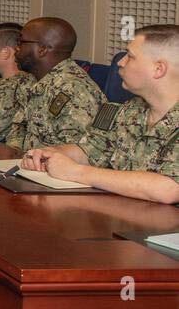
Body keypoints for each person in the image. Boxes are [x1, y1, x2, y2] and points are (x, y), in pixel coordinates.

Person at [22, 25, 179, 204]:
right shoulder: (126, 110)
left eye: (131, 57)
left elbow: (168, 188)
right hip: (122, 214)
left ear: (158, 69)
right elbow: (90, 150)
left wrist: (76, 172)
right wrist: (49, 154)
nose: (120, 62)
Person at [5, 17, 104, 152]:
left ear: (42, 50)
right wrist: (13, 153)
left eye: (21, 42)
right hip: (26, 165)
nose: (16, 47)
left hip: (53, 169)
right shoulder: (31, 81)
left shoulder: (74, 91)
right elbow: (19, 126)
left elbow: (79, 154)